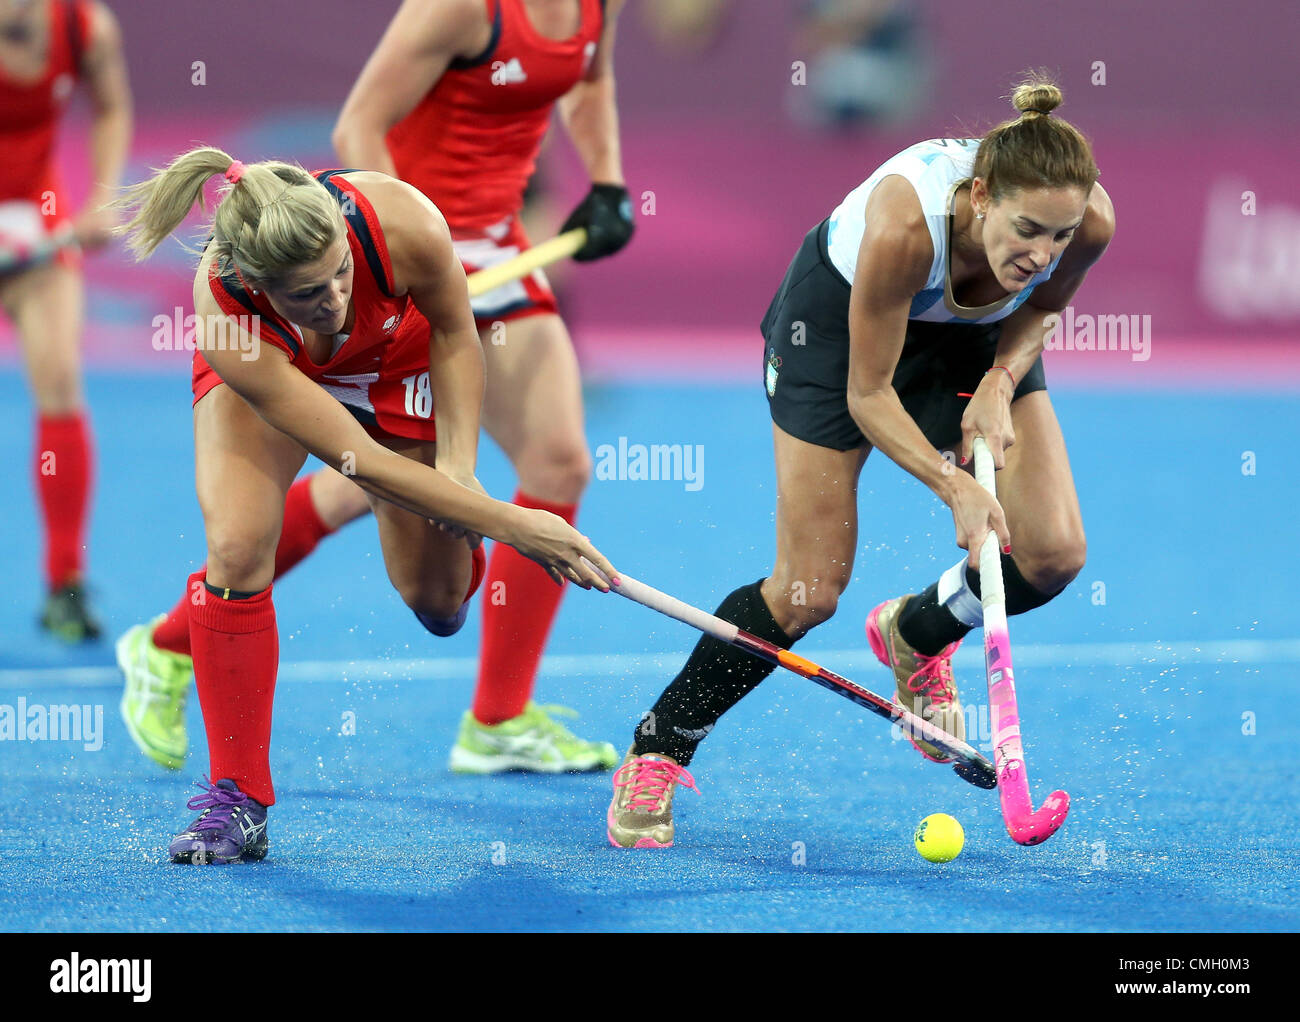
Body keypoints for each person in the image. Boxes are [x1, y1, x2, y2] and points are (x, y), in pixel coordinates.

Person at [118, 0, 634, 775]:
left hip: (475, 263)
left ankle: (496, 719)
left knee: (543, 480)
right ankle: (173, 645)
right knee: (302, 506)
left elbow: (589, 81)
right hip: (390, 262)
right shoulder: (461, 11)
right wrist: (382, 250)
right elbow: (360, 124)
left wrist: (607, 178)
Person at [606, 78, 1115, 848]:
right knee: (807, 591)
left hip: (972, 344)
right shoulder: (904, 224)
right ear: (981, 196)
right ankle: (658, 747)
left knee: (1051, 555)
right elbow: (871, 396)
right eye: (1028, 230)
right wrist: (955, 487)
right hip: (838, 335)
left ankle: (918, 630)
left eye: (1059, 235)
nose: (1043, 253)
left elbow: (1043, 305)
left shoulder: (1089, 225)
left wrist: (1000, 384)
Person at [0, 0, 131, 640]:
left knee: (59, 383)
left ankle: (64, 583)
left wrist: (103, 198)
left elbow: (112, 108)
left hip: (38, 232)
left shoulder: (85, 28)